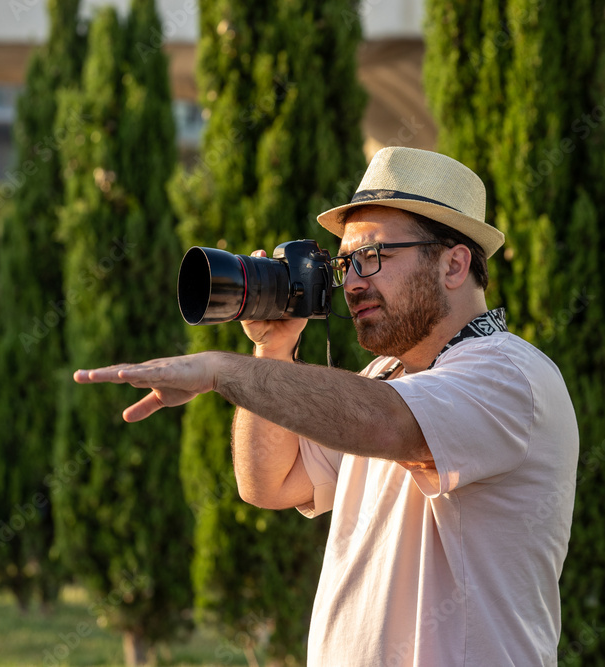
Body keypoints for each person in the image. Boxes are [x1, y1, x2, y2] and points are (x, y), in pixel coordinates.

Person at [74, 146, 579, 666]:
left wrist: (222, 372)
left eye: (373, 257)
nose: (353, 282)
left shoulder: (509, 376)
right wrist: (272, 348)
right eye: (346, 263)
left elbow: (388, 422)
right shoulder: (388, 377)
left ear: (454, 263)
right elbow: (269, 483)